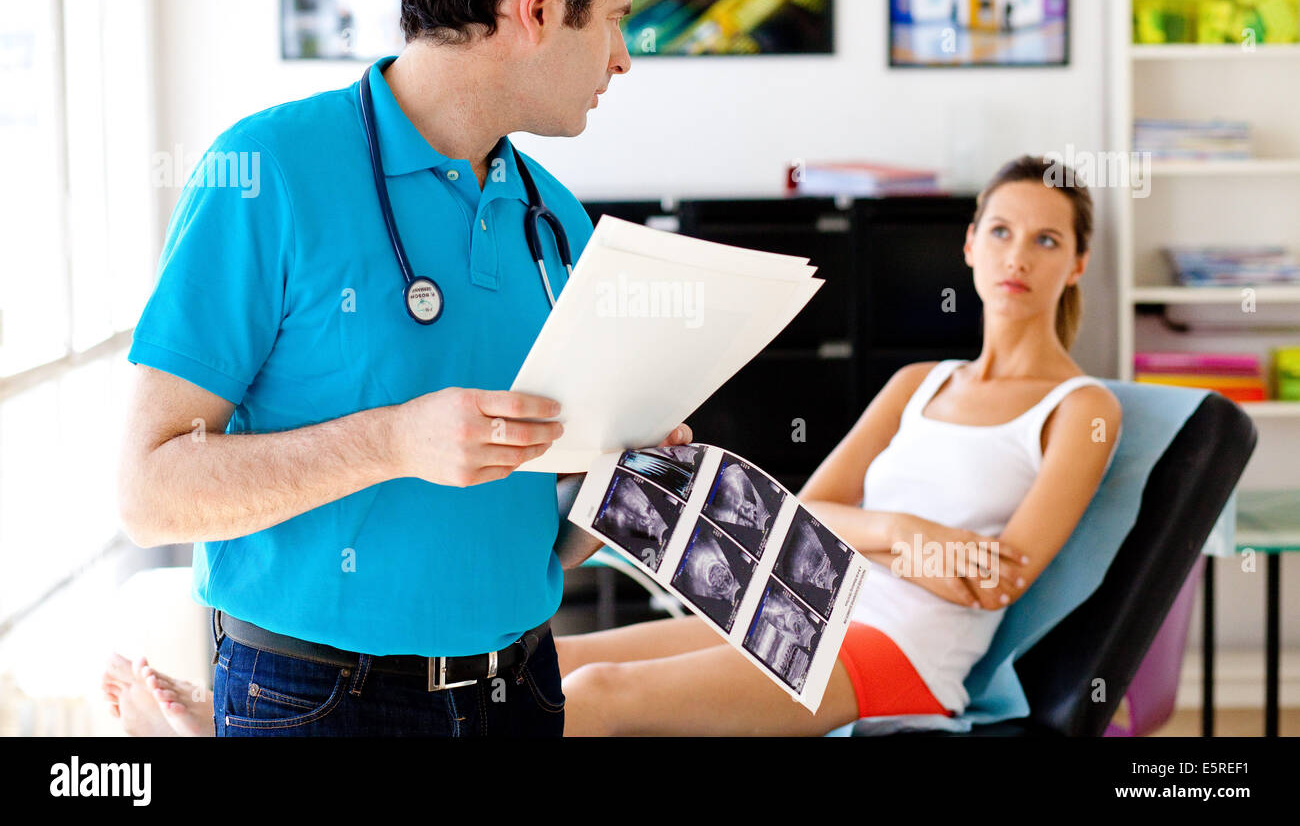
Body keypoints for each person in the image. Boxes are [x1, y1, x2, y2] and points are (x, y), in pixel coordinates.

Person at [106, 154, 1122, 737]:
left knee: (590, 694)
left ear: (1078, 259)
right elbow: (812, 510)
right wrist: (901, 529)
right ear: (967, 243)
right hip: (816, 601)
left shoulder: (1079, 408)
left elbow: (1001, 576)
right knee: (547, 655)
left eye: (1044, 239)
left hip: (904, 651)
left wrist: (879, 539)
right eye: (998, 230)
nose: (1015, 256)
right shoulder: (917, 384)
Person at [115, 0, 685, 737]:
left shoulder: (556, 219)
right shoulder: (268, 172)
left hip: (522, 689)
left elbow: (538, 526)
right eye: (611, 18)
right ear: (536, 8)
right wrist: (392, 442)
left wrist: (627, 483)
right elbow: (148, 490)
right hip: (319, 703)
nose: (623, 56)